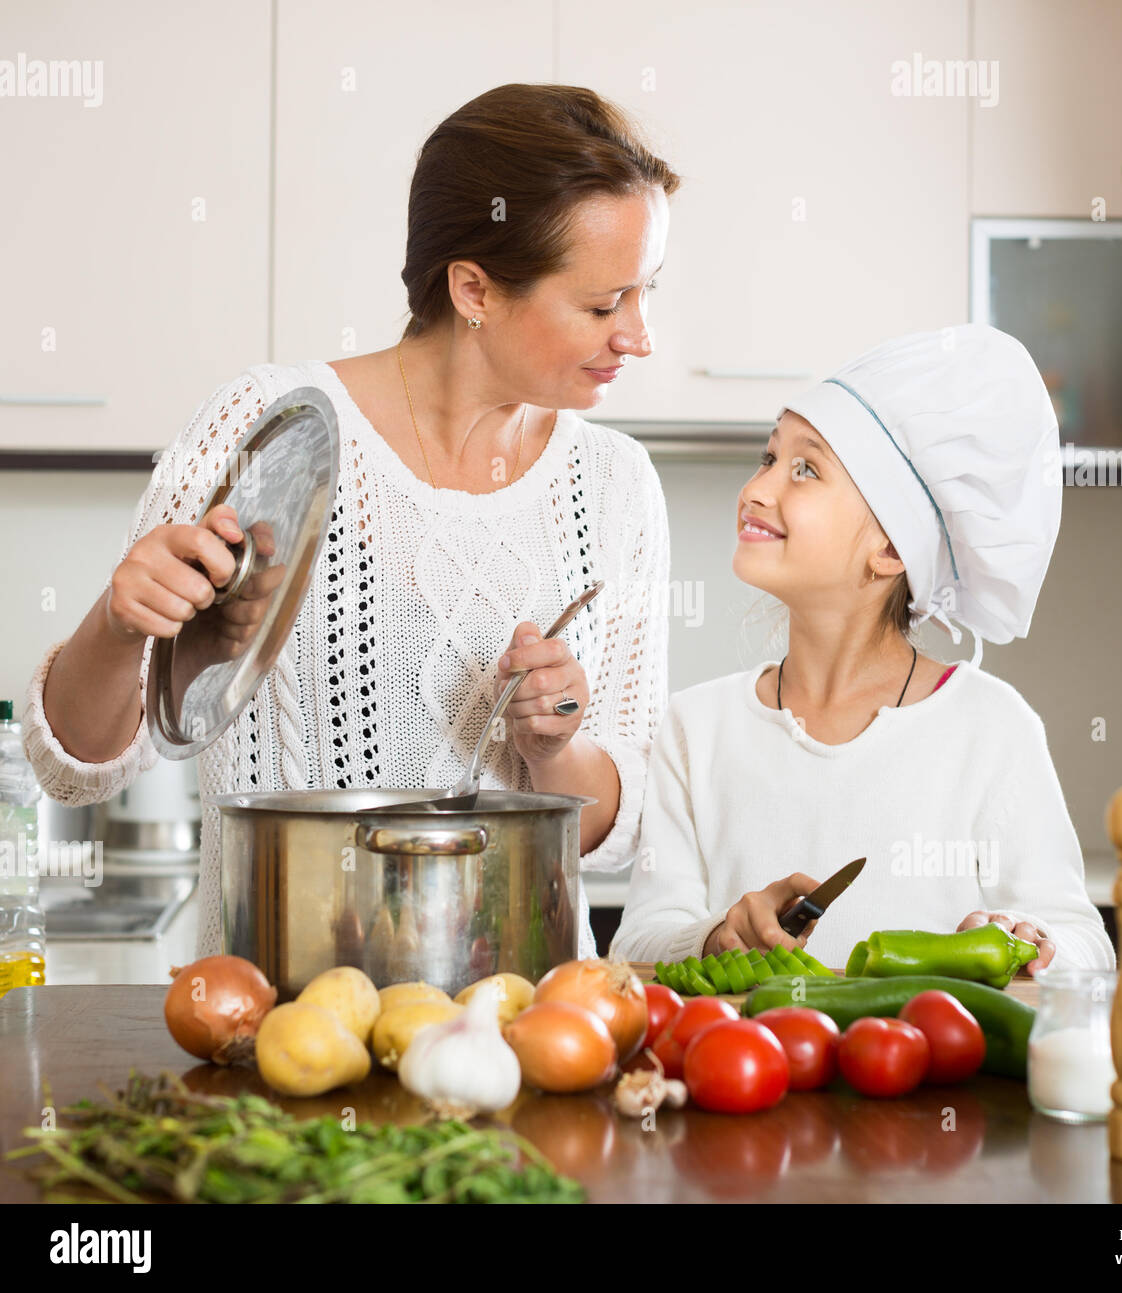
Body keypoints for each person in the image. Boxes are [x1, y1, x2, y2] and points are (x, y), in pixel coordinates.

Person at [24, 84, 678, 961]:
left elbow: (623, 825)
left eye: (647, 293)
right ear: (474, 288)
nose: (639, 336)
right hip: (282, 1023)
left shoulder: (615, 484)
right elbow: (77, 762)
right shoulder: (270, 429)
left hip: (523, 1039)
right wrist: (117, 620)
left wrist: (555, 746)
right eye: (605, 305)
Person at [611, 324, 1115, 975]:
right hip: (753, 1075)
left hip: (936, 1076)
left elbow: (1084, 941)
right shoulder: (695, 727)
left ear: (892, 549)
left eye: (805, 469)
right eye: (768, 458)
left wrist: (1029, 936)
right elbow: (638, 943)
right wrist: (717, 933)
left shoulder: (992, 727)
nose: (758, 489)